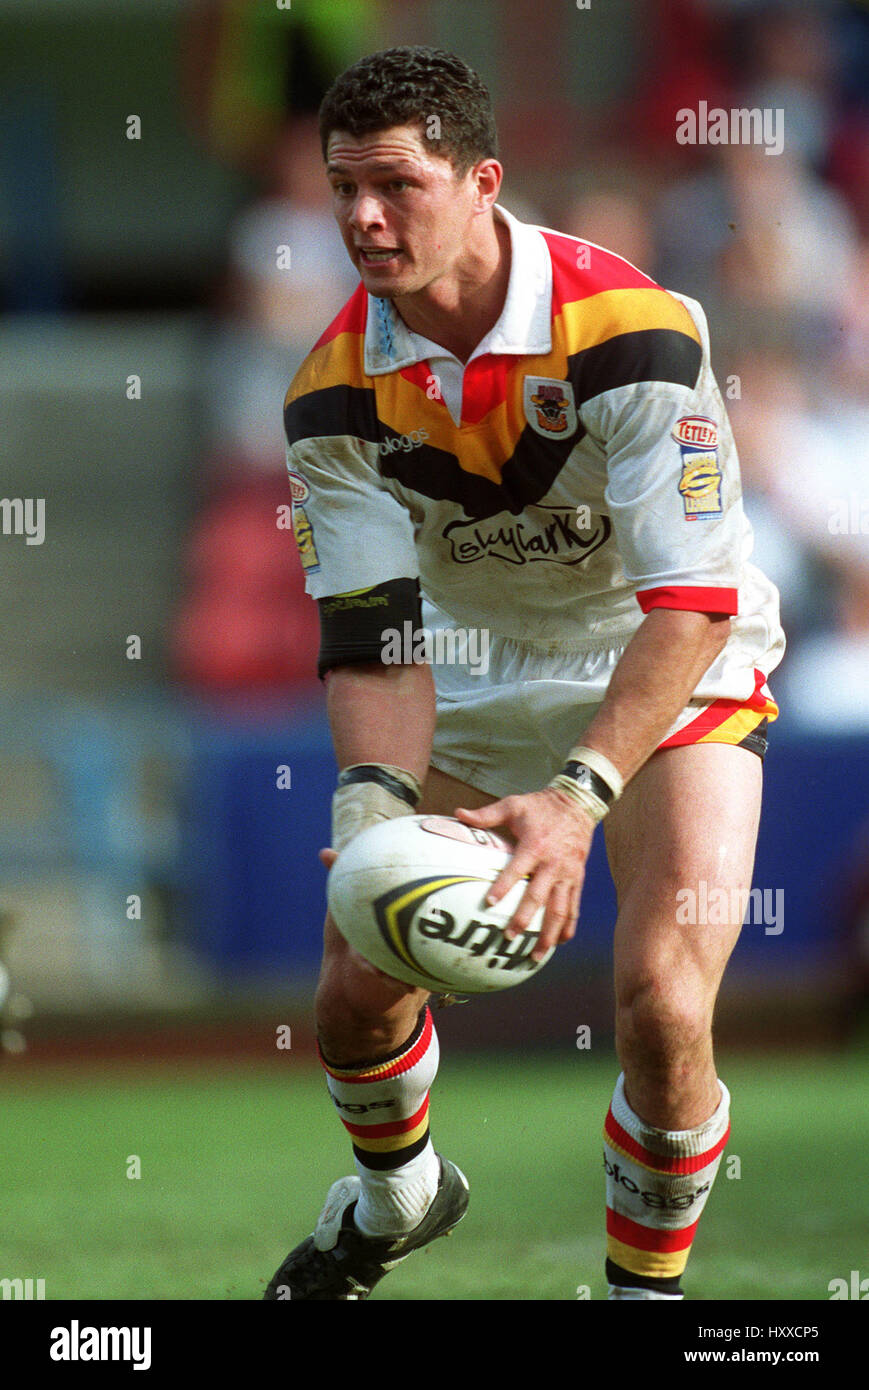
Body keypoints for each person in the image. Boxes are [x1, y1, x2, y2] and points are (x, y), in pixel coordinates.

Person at [263, 46, 785, 1302]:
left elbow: (691, 602)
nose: (363, 218)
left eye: (396, 184)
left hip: (667, 652)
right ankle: (397, 1195)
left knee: (662, 1002)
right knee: (349, 991)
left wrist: (574, 796)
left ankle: (639, 1297)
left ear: (483, 180)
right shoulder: (333, 394)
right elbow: (378, 639)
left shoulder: (630, 333)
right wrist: (372, 800)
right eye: (343, 190)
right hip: (476, 664)